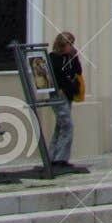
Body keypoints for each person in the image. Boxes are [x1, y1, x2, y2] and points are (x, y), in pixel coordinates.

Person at [49, 32, 83, 167]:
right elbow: (57, 75)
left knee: (60, 126)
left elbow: (78, 71)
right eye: (70, 44)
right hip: (58, 94)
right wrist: (63, 87)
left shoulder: (70, 57)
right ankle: (60, 158)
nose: (71, 46)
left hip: (68, 94)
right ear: (62, 44)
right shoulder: (53, 58)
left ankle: (52, 157)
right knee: (67, 125)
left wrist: (75, 57)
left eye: (72, 43)